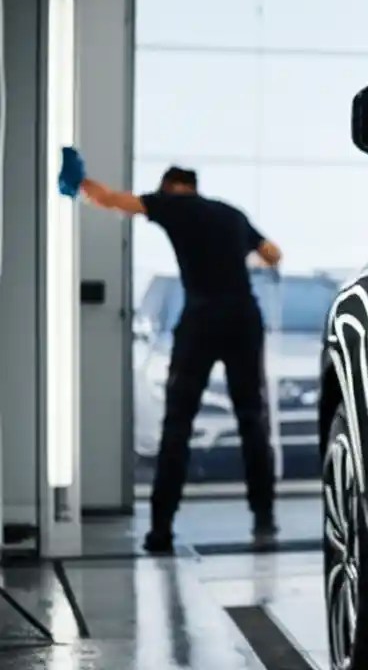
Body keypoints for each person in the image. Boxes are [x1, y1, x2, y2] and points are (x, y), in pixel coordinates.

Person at [81, 167, 283, 553]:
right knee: (251, 419)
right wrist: (247, 263)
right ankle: (264, 519)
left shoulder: (173, 205)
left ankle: (161, 530)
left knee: (178, 422)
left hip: (201, 318)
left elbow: (108, 199)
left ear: (170, 187)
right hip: (243, 317)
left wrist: (77, 179)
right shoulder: (230, 213)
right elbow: (273, 254)